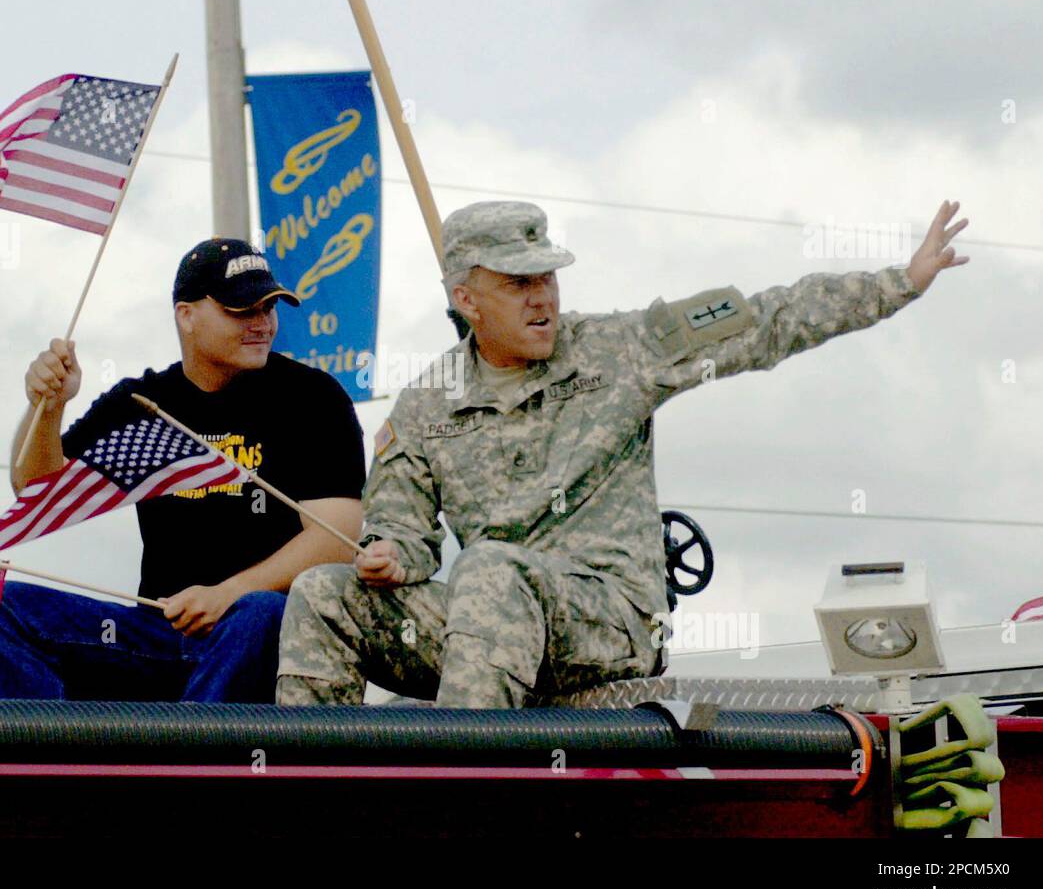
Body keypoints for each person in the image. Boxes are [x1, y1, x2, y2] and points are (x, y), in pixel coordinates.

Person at [276, 199, 970, 708]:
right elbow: (400, 532)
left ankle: (467, 801)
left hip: (607, 623)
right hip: (485, 631)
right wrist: (392, 555)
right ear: (466, 298)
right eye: (519, 284)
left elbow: (764, 321)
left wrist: (898, 282)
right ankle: (322, 805)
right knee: (321, 593)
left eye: (548, 277)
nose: (543, 298)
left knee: (487, 571)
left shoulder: (621, 350)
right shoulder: (428, 404)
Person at [0, 238, 366, 702]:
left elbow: (337, 538)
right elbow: (38, 489)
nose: (261, 324)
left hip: (262, 634)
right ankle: (54, 762)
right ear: (187, 316)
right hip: (156, 631)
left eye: (269, 307)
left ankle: (187, 766)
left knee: (261, 612)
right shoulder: (144, 402)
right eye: (241, 310)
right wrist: (48, 408)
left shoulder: (311, 397)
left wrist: (227, 593)